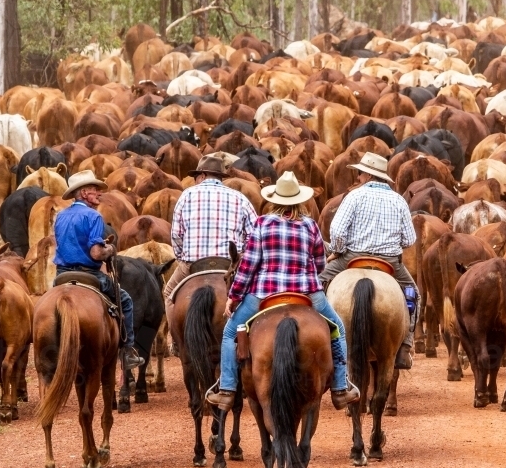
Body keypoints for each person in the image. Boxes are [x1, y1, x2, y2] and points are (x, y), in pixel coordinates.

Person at [206, 171, 360, 412]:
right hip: (307, 292)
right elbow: (320, 264)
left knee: (228, 334)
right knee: (338, 329)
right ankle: (340, 388)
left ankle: (226, 390)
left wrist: (234, 298)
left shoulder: (261, 224)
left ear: (275, 200)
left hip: (264, 293)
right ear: (299, 200)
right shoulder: (310, 225)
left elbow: (247, 266)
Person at [318, 152, 418, 370]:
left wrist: (337, 250)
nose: (358, 176)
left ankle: (320, 341)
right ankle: (405, 347)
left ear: (367, 175)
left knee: (317, 285)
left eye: (360, 172)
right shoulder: (399, 200)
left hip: (352, 258)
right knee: (413, 293)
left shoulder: (354, 196)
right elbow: (410, 239)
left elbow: (337, 230)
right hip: (389, 261)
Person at [53, 170, 145, 371]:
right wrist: (110, 249)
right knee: (126, 301)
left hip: (61, 275)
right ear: (84, 193)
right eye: (94, 190)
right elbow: (96, 254)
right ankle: (128, 351)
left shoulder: (60, 216)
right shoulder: (93, 216)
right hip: (89, 274)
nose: (99, 194)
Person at [163, 155, 257, 323]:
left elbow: (176, 234)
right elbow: (255, 235)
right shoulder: (239, 198)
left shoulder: (186, 195)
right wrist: (240, 256)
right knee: (255, 296)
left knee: (168, 294)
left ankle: (174, 340)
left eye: (195, 177)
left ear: (203, 175)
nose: (194, 181)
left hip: (194, 263)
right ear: (220, 177)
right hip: (229, 264)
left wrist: (182, 258)